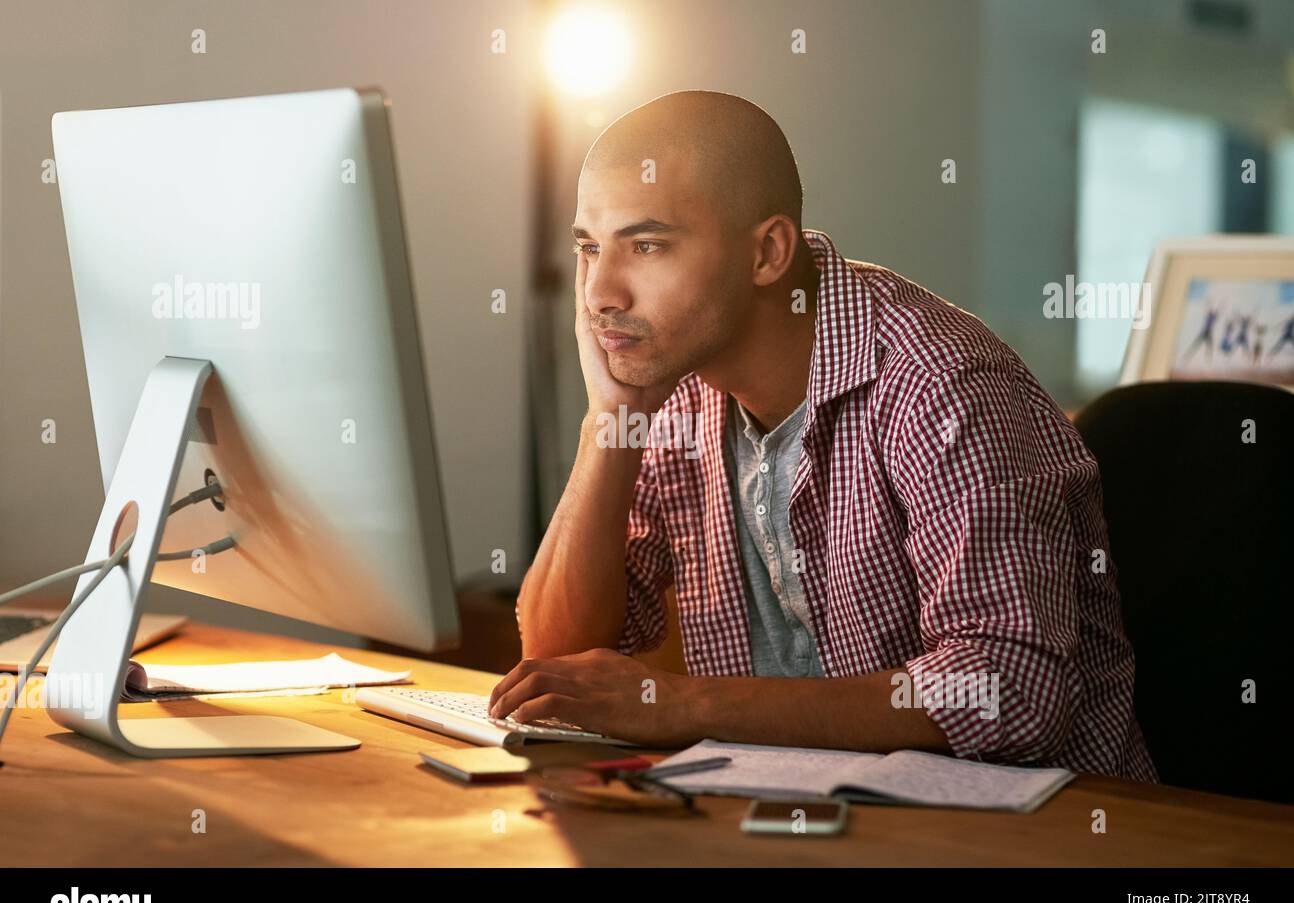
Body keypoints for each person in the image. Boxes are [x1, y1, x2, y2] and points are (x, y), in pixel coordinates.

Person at [490, 90, 1157, 780]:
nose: (600, 292)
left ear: (767, 253)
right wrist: (610, 418)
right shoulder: (683, 386)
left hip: (1041, 826)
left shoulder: (939, 381)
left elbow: (1009, 689)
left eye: (647, 245)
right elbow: (557, 666)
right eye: (589, 248)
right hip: (793, 816)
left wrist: (682, 704)